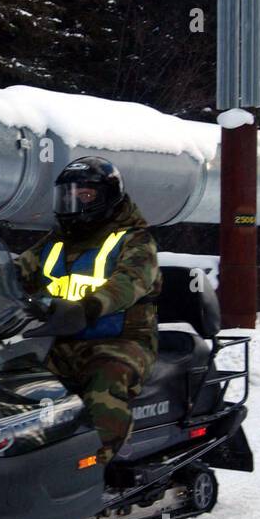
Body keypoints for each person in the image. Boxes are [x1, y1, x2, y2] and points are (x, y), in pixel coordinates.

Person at [16, 156, 161, 470]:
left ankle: (94, 467)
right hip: (58, 337)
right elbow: (16, 271)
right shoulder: (55, 242)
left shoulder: (135, 240)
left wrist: (91, 306)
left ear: (107, 197)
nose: (74, 204)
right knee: (10, 379)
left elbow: (129, 282)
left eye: (85, 196)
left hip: (121, 340)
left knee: (104, 381)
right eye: (68, 196)